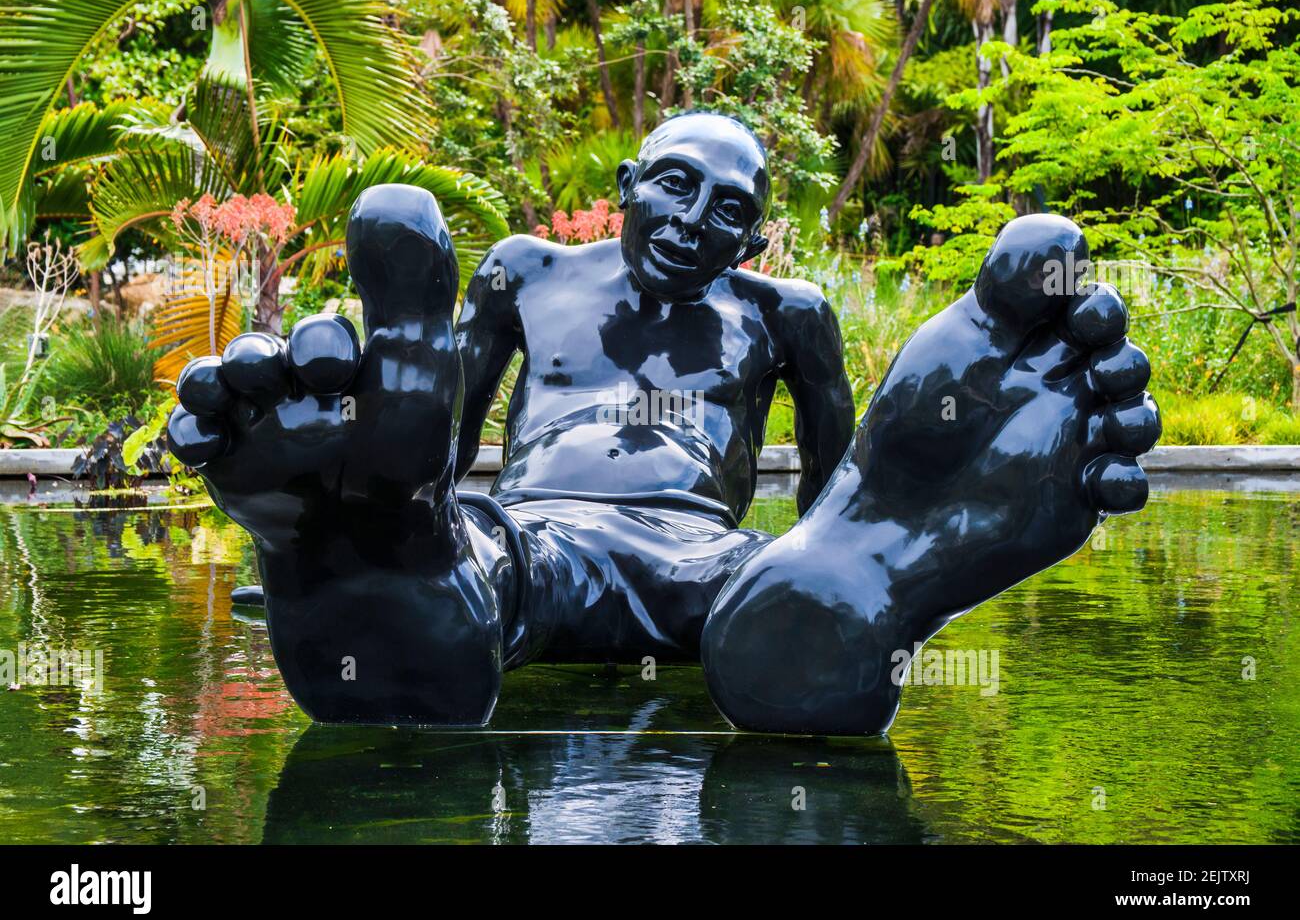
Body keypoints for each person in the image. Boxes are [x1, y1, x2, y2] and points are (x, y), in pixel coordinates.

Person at [167, 112, 1160, 735]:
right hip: (525, 542)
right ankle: (383, 570)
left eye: (729, 209)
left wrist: (837, 538)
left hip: (708, 562)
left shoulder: (786, 313)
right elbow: (440, 434)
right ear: (632, 186)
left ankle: (864, 581)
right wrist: (404, 514)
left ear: (755, 236)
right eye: (676, 184)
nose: (693, 219)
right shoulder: (527, 270)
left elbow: (832, 474)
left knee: (806, 574)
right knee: (435, 542)